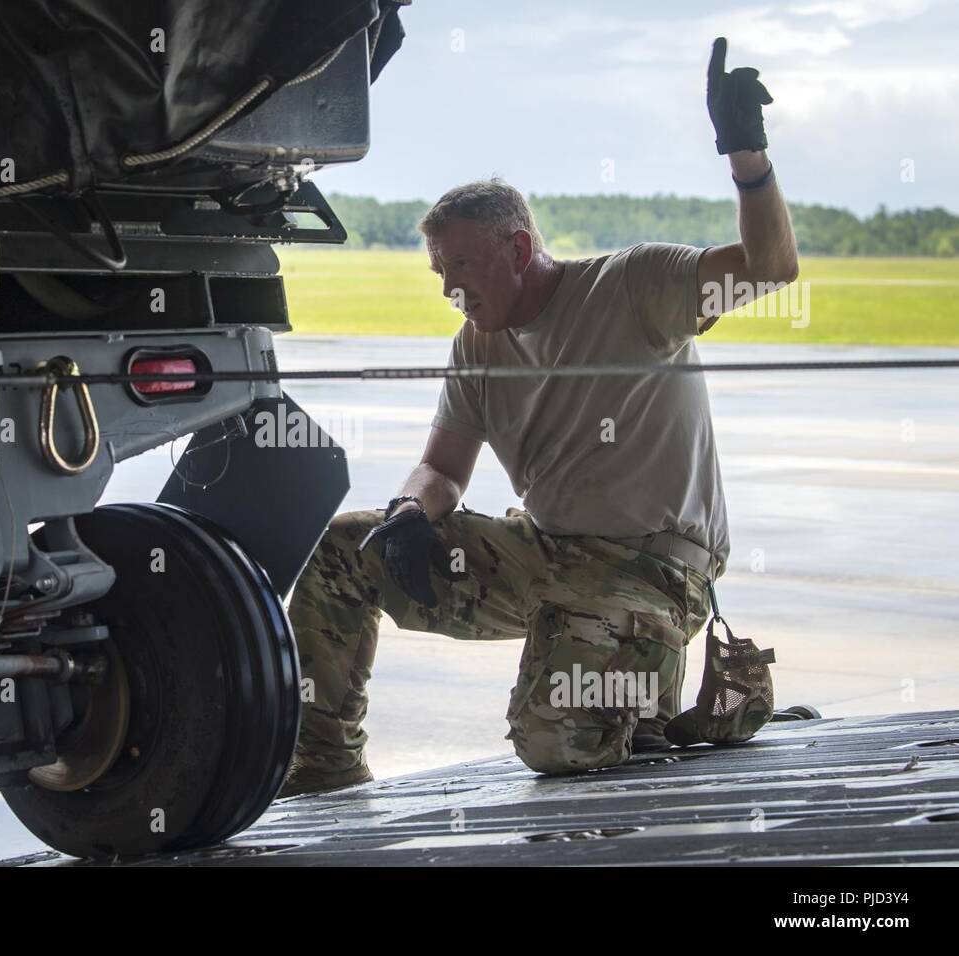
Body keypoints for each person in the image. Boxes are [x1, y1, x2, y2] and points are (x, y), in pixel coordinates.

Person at [280, 38, 799, 797]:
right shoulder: (476, 344)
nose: (448, 288)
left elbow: (770, 270)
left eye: (460, 267)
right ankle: (324, 764)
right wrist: (409, 514)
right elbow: (443, 467)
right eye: (439, 272)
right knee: (339, 555)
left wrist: (748, 160)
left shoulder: (634, 287)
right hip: (544, 554)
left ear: (518, 247)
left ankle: (652, 708)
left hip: (652, 571)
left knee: (554, 740)